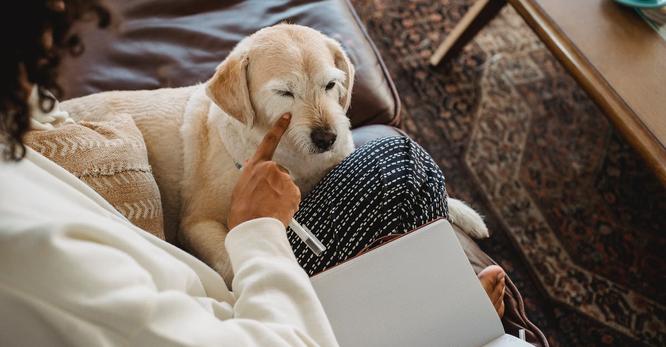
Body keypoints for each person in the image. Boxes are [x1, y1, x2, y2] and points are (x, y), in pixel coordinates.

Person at [0, 1, 506, 346]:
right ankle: (449, 319)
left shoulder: (20, 141)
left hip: (243, 299)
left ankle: (451, 303)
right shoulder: (29, 248)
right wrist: (256, 230)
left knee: (394, 158)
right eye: (46, 46)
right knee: (401, 162)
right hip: (243, 308)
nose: (56, 52)